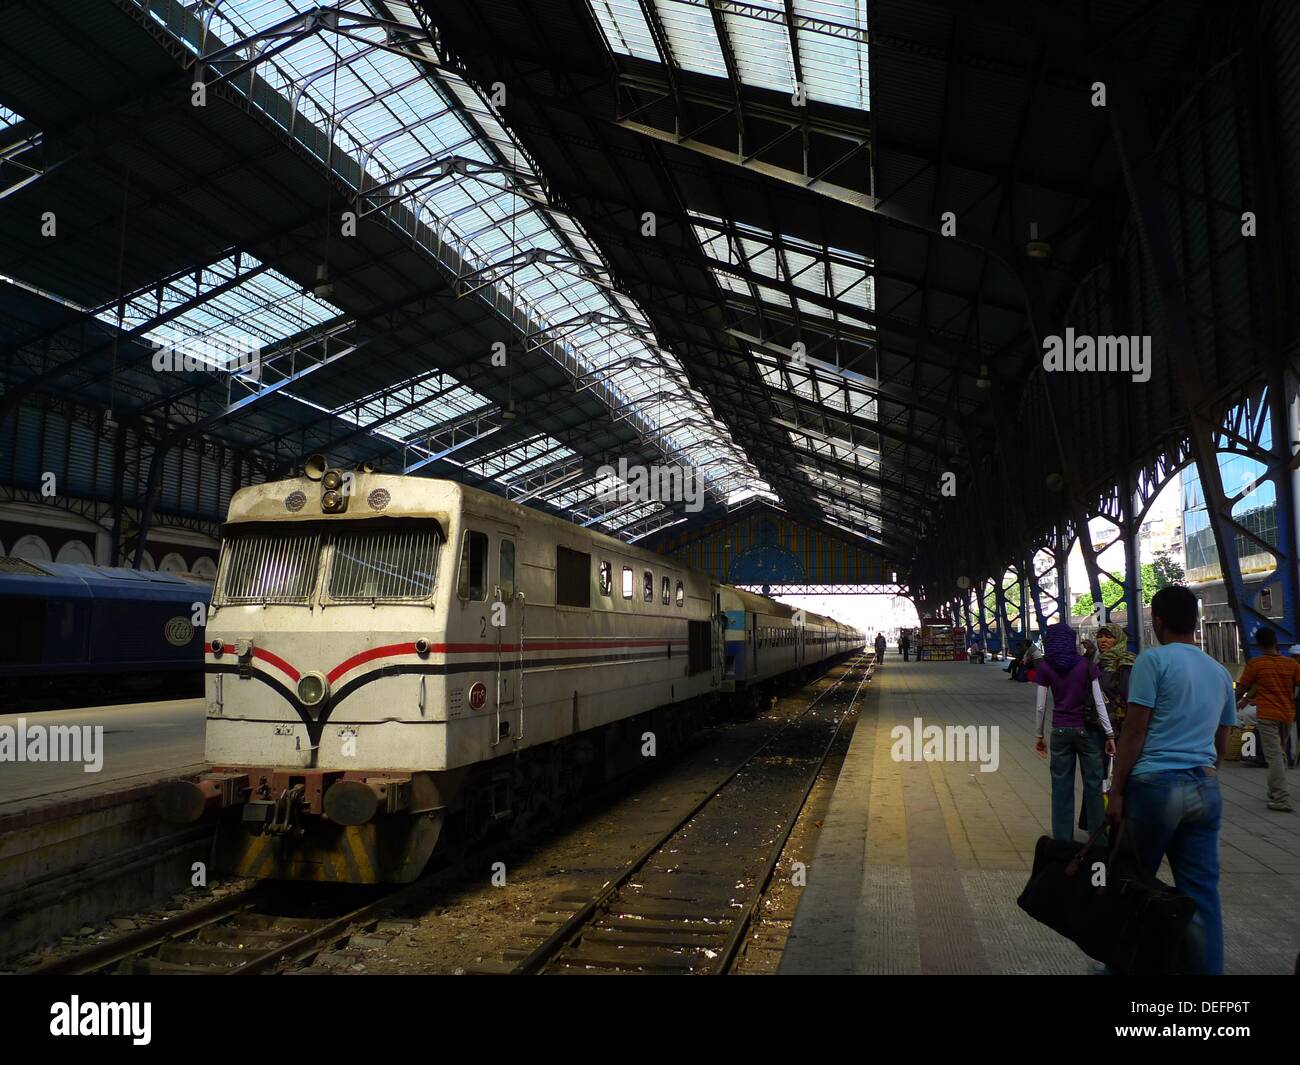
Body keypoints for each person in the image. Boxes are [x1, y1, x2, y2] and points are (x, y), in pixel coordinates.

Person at [1106, 586, 1236, 975]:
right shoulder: (1218, 671)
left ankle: (1121, 970)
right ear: (1195, 622)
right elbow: (1222, 739)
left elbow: (1134, 731)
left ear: (1157, 622)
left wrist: (1116, 791)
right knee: (1201, 896)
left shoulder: (1153, 662)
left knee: (1131, 883)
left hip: (1156, 787)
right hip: (1205, 789)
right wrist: (1206, 773)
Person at [1033, 622, 1116, 841]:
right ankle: (1098, 841)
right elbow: (1099, 703)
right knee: (1093, 787)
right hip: (1086, 732)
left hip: (1060, 731)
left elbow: (1041, 706)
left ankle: (1062, 840)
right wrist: (1109, 734)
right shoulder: (1086, 665)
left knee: (1061, 787)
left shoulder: (1045, 668)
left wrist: (1039, 735)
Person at [1234, 627, 1300, 812]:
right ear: (1275, 642)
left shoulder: (1256, 664)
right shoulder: (1291, 665)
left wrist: (1232, 702)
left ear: (1259, 644)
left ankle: (1280, 798)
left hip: (1267, 715)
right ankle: (1275, 790)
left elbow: (1241, 689)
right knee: (1280, 753)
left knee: (1274, 755)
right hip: (1287, 715)